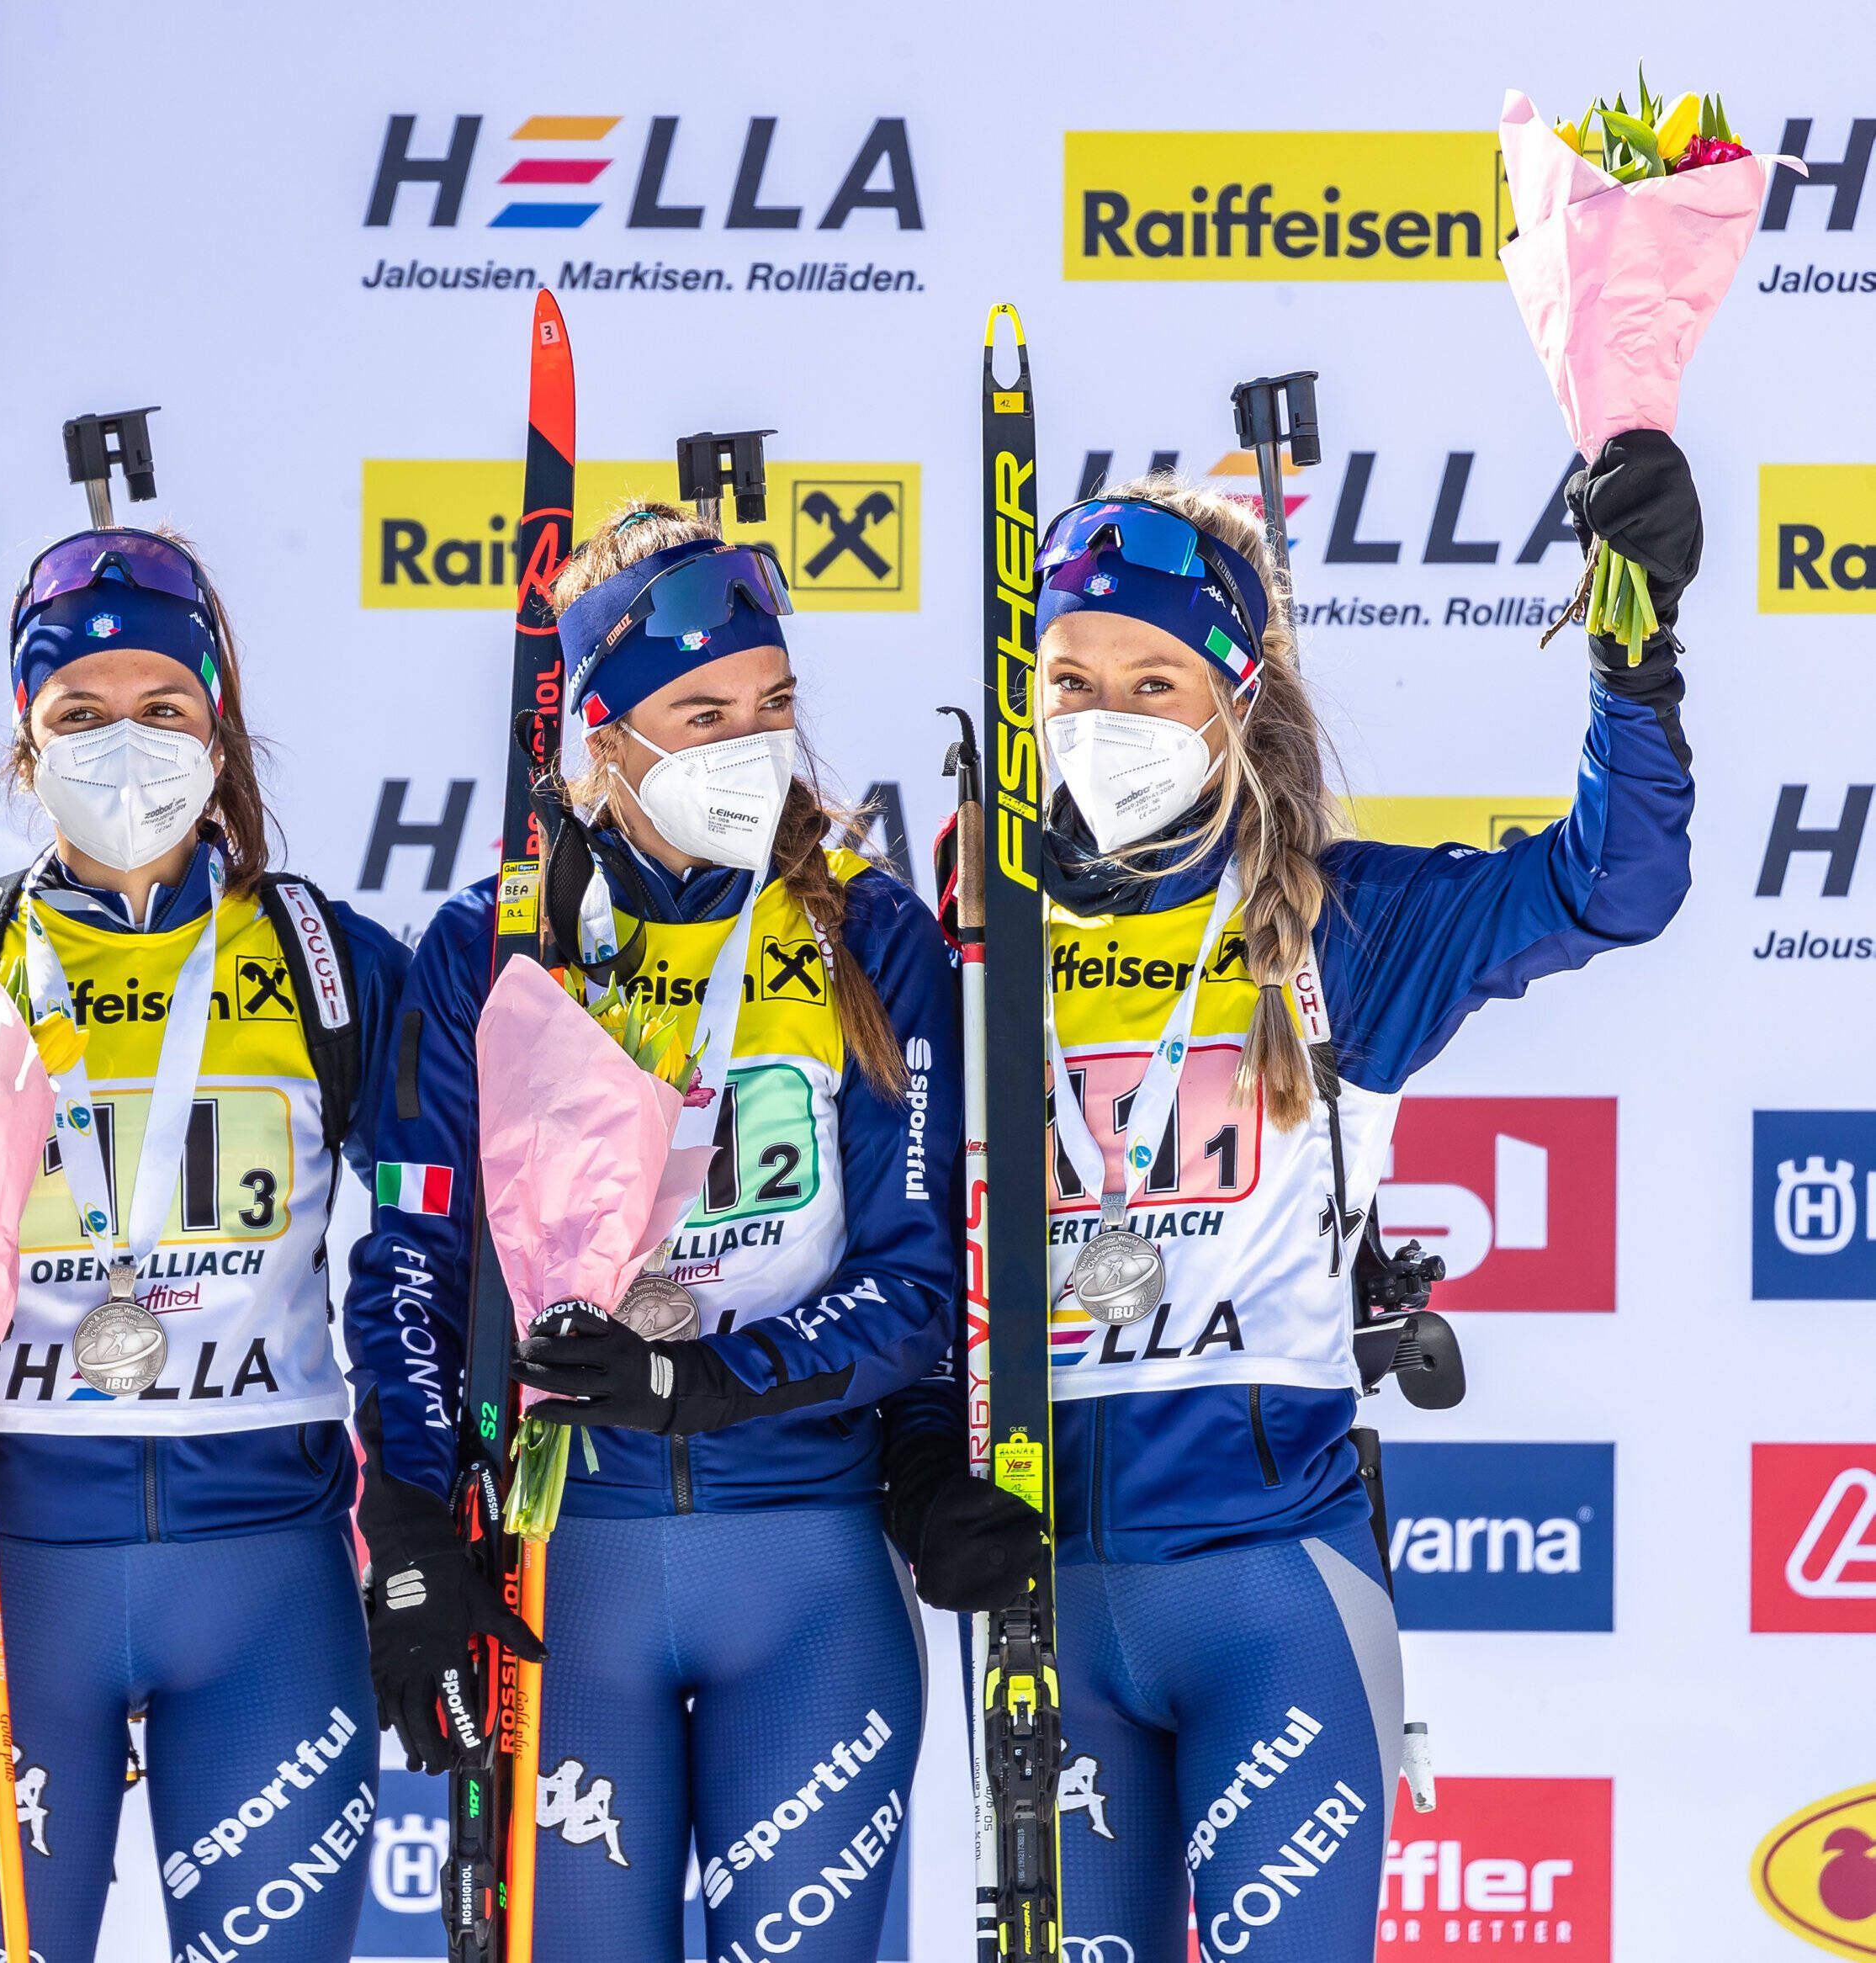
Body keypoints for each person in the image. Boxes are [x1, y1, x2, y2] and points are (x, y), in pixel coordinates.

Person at [892, 438, 1697, 1961]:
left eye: (1155, 682)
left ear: (1234, 695)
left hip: (1275, 1596)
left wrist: (1632, 648)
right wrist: (924, 1478)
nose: (1110, 718)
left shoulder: (1340, 926)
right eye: (1072, 681)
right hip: (1048, 1606)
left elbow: (1614, 882)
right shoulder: (975, 943)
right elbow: (914, 1264)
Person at [341, 504, 972, 1961]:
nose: (753, 744)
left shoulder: (868, 934)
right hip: (569, 1571)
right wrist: (416, 1527)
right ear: (603, 734)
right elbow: (412, 1273)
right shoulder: (489, 947)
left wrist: (703, 1380)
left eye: (773, 703)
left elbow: (918, 1283)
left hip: (808, 1565)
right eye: (703, 714)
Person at [0, 523, 408, 1963]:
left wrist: (422, 1521)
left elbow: (436, 1256)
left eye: (162, 706)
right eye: (80, 714)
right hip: (15, 1568)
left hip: (267, 1576)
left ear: (217, 731)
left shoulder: (326, 963)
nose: (126, 743)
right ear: (25, 746)